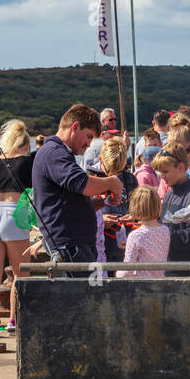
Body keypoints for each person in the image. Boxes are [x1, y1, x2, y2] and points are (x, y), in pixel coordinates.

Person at [31, 103, 122, 277]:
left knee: (88, 300)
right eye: (88, 136)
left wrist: (103, 201)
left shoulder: (62, 154)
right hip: (70, 248)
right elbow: (83, 184)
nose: (88, 144)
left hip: (76, 246)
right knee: (80, 301)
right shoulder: (54, 153)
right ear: (74, 127)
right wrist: (111, 181)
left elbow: (72, 202)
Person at [0, 120, 35, 329]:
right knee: (21, 274)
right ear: (26, 145)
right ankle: (14, 321)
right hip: (14, 213)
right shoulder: (27, 163)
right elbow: (34, 194)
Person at [154, 143, 190, 266]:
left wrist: (159, 235)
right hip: (169, 266)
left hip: (188, 271)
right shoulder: (169, 194)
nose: (162, 177)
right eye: (160, 173)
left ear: (180, 167)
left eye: (165, 172)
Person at [98, 136, 138, 263]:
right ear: (100, 160)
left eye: (119, 172)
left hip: (125, 243)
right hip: (100, 245)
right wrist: (100, 220)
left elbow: (140, 209)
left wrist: (134, 216)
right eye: (110, 173)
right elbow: (81, 214)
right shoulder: (88, 179)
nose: (114, 177)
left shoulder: (130, 179)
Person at [117, 187, 170, 278]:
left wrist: (117, 273)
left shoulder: (136, 235)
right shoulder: (165, 230)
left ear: (135, 207)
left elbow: (127, 271)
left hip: (141, 284)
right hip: (161, 281)